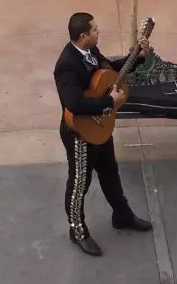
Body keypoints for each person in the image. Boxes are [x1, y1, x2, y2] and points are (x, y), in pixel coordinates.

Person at [54, 13, 152, 256]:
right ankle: (77, 230)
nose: (99, 32)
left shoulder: (91, 52)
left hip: (101, 126)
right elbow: (74, 104)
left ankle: (122, 215)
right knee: (79, 184)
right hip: (80, 133)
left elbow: (109, 70)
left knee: (110, 173)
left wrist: (136, 57)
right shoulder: (67, 65)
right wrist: (109, 101)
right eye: (95, 30)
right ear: (82, 36)